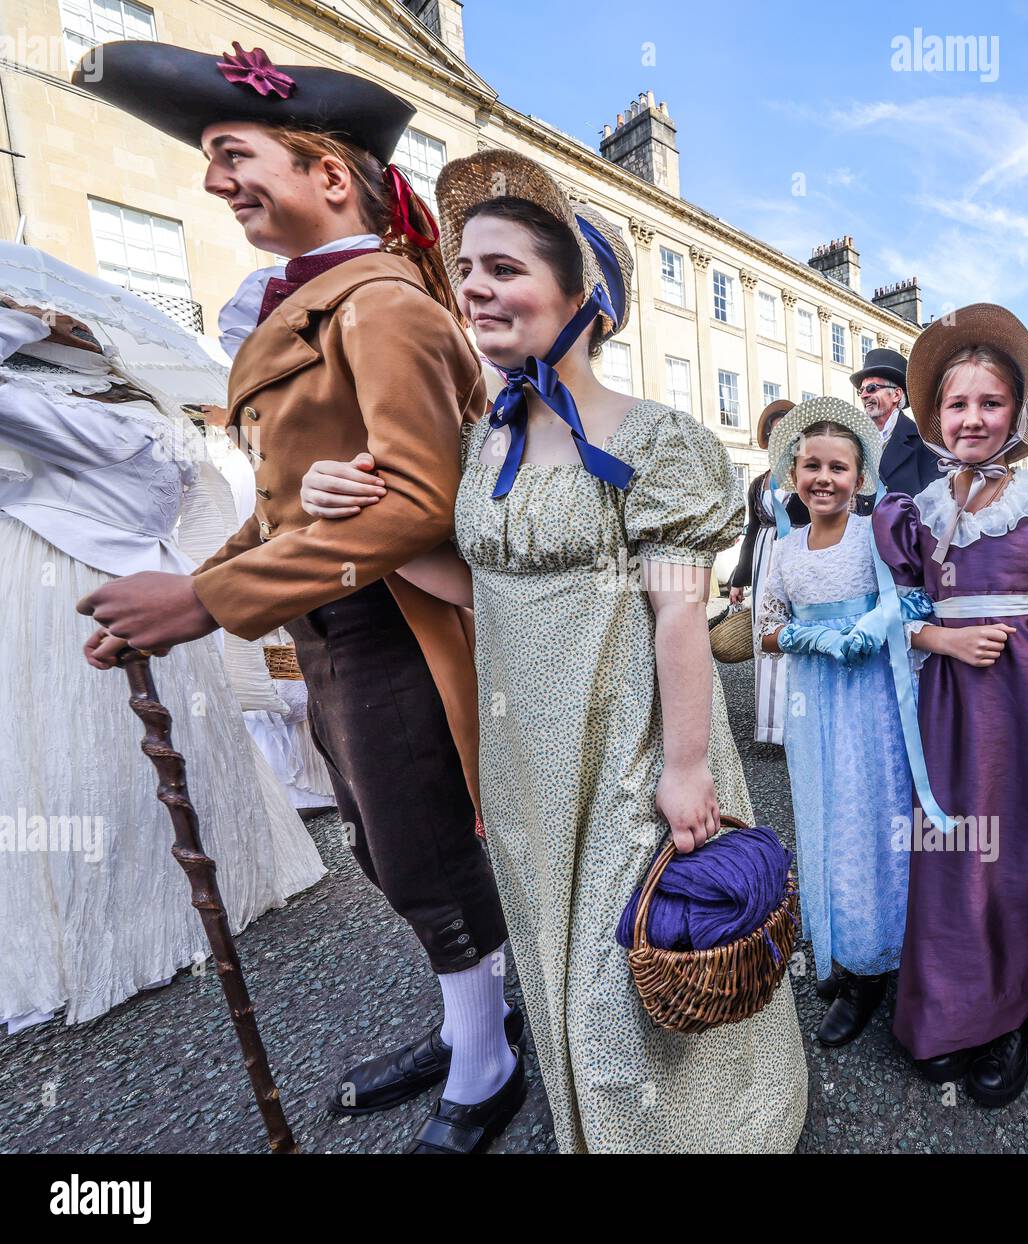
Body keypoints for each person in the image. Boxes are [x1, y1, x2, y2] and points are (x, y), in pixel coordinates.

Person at [304, 148, 809, 1152]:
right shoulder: (476, 445)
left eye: (506, 268)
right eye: (468, 269)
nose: (476, 287)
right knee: (557, 951)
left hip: (629, 741)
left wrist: (685, 766)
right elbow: (476, 580)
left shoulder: (654, 434)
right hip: (526, 753)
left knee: (635, 965)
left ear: (584, 299)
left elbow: (678, 611)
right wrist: (354, 515)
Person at [73, 40, 521, 1154]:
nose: (216, 182)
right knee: (382, 841)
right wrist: (193, 582)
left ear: (330, 172)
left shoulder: (380, 307)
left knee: (423, 848)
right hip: (332, 615)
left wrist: (207, 603)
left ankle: (488, 1055)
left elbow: (416, 504)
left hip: (394, 622)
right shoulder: (318, 302)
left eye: (235, 153)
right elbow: (286, 506)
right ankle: (484, 1014)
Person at [0, 251, 325, 1031]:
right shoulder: (82, 402)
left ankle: (148, 905)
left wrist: (31, 319)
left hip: (115, 590)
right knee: (68, 764)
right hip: (101, 587)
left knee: (106, 762)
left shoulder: (123, 412)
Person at [872, 303, 1028, 1107]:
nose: (973, 418)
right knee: (950, 850)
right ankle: (951, 1006)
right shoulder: (914, 513)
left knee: (1019, 851)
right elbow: (894, 619)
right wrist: (937, 642)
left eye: (990, 402)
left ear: (1016, 410)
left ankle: (1016, 1009)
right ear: (934, 415)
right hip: (948, 700)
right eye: (957, 404)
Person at [755, 397, 934, 1048]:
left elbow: (916, 604)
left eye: (838, 467)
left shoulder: (872, 538)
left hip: (872, 705)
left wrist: (871, 629)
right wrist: (811, 639)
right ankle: (838, 942)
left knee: (871, 825)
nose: (823, 478)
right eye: (811, 466)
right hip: (813, 702)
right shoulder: (784, 547)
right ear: (793, 474)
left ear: (860, 479)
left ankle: (874, 964)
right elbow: (765, 631)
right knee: (823, 819)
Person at [728, 398, 810, 745]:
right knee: (766, 633)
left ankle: (798, 724)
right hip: (764, 557)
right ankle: (771, 729)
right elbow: (751, 531)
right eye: (772, 432)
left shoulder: (806, 472)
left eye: (785, 432)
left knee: (794, 633)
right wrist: (738, 579)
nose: (779, 437)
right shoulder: (759, 482)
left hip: (796, 555)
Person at [850, 348, 942, 499]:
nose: (864, 395)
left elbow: (935, 507)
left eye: (872, 388)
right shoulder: (856, 442)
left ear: (896, 395)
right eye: (861, 391)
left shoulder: (925, 444)